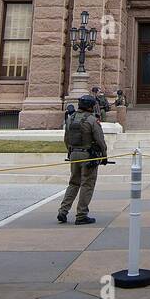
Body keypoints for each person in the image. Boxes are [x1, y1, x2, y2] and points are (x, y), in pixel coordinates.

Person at [57, 94, 107, 224]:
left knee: (73, 183)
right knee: (87, 184)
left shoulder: (70, 118)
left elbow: (66, 139)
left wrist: (71, 151)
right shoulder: (92, 120)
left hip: (74, 154)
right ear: (91, 106)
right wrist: (104, 155)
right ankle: (81, 215)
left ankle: (63, 211)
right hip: (88, 156)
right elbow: (100, 140)